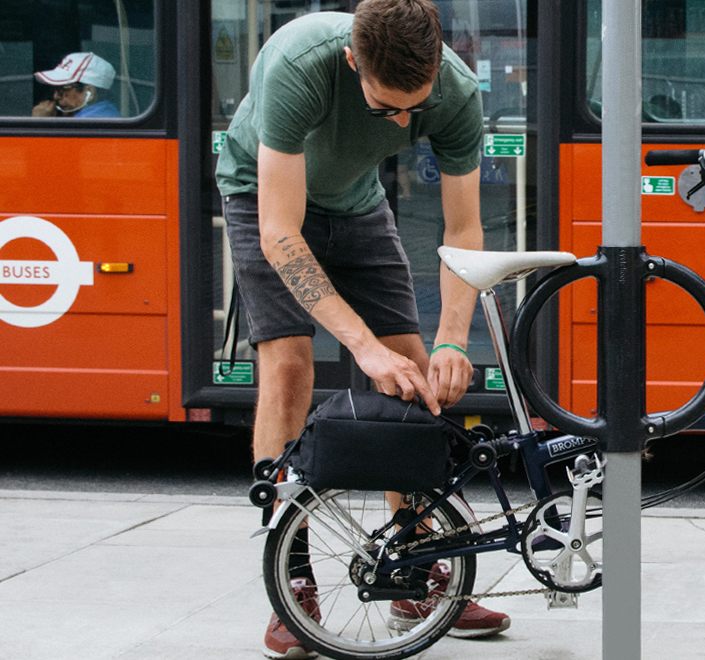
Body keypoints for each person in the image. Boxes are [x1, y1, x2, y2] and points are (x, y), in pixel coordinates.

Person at [213, 1, 509, 657]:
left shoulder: (455, 90)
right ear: (353, 63)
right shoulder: (300, 63)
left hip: (357, 204)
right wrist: (361, 348)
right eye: (385, 111)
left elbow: (463, 233)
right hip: (262, 199)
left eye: (415, 108)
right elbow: (281, 234)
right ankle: (292, 587)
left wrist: (453, 339)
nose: (403, 122)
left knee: (412, 370)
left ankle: (412, 567)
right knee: (290, 366)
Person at [32, 52, 121, 118]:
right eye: (55, 89)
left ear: (89, 92)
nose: (56, 96)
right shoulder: (106, 113)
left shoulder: (90, 122)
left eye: (63, 89)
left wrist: (39, 124)